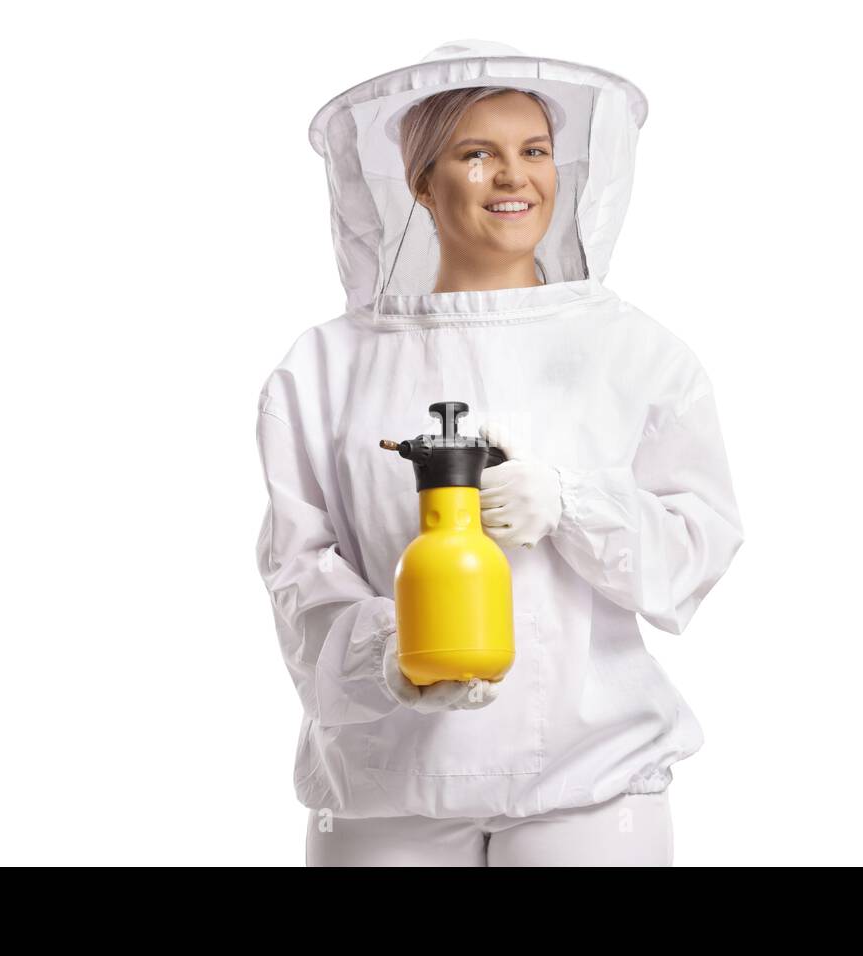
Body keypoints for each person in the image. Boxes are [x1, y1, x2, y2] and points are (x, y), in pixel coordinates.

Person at [255, 39, 745, 866]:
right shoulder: (323, 368)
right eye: (476, 153)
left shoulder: (636, 354)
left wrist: (570, 503)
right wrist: (391, 655)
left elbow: (694, 554)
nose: (515, 177)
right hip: (387, 786)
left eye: (535, 152)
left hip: (591, 779)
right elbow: (298, 571)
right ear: (420, 182)